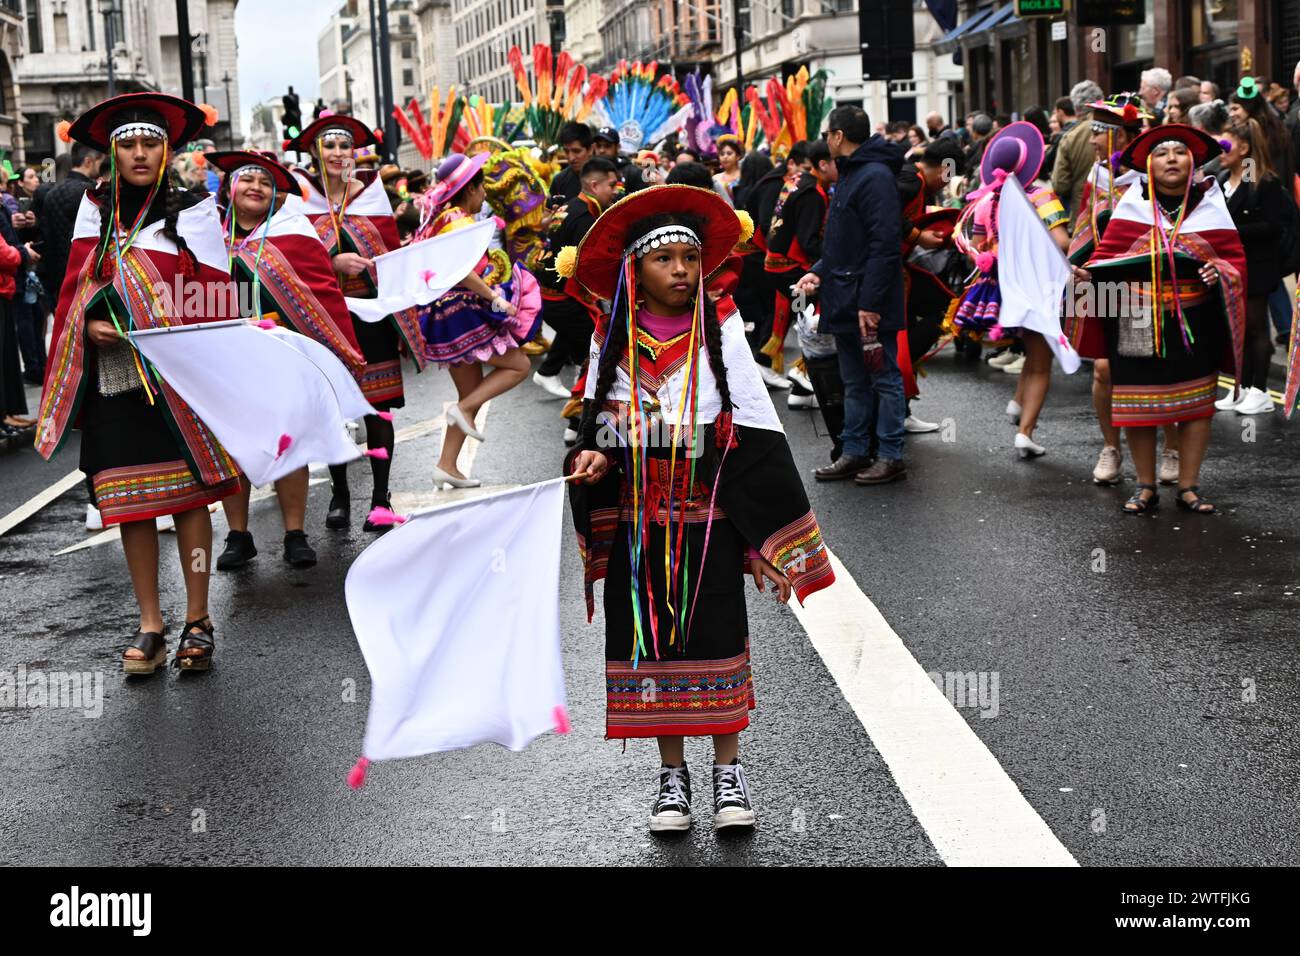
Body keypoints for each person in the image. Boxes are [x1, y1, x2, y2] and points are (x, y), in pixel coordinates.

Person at [562, 183, 835, 832]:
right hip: (638, 526)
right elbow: (603, 424)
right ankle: (671, 780)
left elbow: (754, 441)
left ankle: (729, 773)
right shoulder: (615, 337)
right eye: (665, 259)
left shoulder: (723, 332)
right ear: (635, 270)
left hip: (706, 521)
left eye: (690, 257)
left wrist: (763, 542)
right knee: (652, 649)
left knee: (714, 638)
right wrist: (600, 457)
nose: (681, 270)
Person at [35, 91, 242, 673]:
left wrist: (158, 316)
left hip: (180, 377)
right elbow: (75, 287)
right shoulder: (95, 210)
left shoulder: (194, 208)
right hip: (117, 379)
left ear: (167, 149)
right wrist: (93, 321)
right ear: (113, 154)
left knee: (191, 496)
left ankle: (198, 619)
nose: (141, 154)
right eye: (129, 145)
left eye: (152, 143)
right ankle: (152, 623)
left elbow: (218, 294)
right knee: (133, 501)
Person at [205, 150, 367, 569]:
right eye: (247, 180)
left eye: (264, 182)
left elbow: (318, 295)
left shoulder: (293, 234)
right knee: (233, 446)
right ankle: (238, 536)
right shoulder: (204, 236)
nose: (256, 187)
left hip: (282, 356)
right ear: (230, 188)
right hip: (227, 360)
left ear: (276, 195)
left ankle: (295, 532)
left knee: (288, 441)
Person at [1074, 125, 1245, 514]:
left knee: (1197, 404)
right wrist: (1087, 278)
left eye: (1180, 152)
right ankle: (1146, 486)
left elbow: (1234, 262)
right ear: (1148, 165)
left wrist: (1218, 270)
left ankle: (1188, 487)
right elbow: (1107, 264)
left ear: (1193, 162)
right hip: (1134, 314)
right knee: (1137, 403)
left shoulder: (1211, 208)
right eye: (1162, 152)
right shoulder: (1130, 207)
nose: (1171, 158)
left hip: (1195, 316)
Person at [283, 114, 428, 533]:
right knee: (332, 409)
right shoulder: (300, 199)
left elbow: (389, 255)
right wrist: (331, 262)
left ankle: (380, 497)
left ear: (354, 153)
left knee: (378, 412)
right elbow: (292, 265)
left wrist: (367, 269)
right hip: (325, 321)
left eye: (344, 146)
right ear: (314, 152)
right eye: (329, 146)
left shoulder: (371, 197)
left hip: (372, 320)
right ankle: (340, 493)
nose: (337, 154)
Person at [1064, 93, 1180, 486]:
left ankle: (1172, 449)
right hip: (1103, 281)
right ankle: (1111, 447)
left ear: (1125, 136)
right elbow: (1085, 224)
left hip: (1142, 285)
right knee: (1102, 370)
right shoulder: (1097, 175)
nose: (1093, 139)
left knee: (1156, 369)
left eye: (1100, 130)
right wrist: (1076, 264)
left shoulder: (1153, 176)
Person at [795, 105, 908, 486]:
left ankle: (890, 455)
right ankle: (855, 450)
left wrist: (870, 304)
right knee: (854, 380)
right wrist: (817, 272)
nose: (826, 139)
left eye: (829, 132)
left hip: (866, 301)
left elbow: (885, 245)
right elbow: (844, 245)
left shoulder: (873, 176)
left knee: (884, 378)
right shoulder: (851, 174)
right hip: (845, 297)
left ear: (839, 136)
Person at [413, 152, 540, 486]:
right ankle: (459, 420)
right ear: (471, 189)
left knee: (470, 395)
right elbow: (461, 270)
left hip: (446, 312)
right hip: (461, 311)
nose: (485, 195)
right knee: (519, 366)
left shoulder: (443, 216)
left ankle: (446, 465)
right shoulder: (458, 221)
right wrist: (495, 297)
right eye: (483, 188)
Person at [951, 122, 1071, 459]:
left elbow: (975, 246)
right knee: (1041, 360)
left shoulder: (987, 199)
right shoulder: (1040, 196)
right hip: (1034, 288)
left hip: (998, 291)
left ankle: (1018, 403)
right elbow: (1061, 242)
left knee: (1031, 353)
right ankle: (1025, 431)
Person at [531, 156, 620, 438]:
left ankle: (572, 417)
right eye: (611, 185)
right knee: (595, 357)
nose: (615, 191)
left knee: (585, 346)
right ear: (594, 184)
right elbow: (587, 264)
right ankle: (580, 425)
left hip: (554, 295)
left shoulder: (571, 206)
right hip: (564, 297)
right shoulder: (584, 217)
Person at [1213, 119, 1286, 415]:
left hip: (1257, 266)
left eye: (1226, 145)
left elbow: (1273, 226)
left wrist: (1231, 231)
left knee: (1256, 328)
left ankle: (1260, 390)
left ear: (1244, 148)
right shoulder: (1219, 179)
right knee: (1237, 329)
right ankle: (1240, 387)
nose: (1220, 151)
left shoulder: (1262, 181)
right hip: (1231, 267)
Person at [761, 140, 829, 382]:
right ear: (823, 164)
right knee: (822, 305)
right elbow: (808, 240)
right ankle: (803, 371)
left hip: (776, 263)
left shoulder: (794, 181)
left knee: (801, 313)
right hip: (791, 267)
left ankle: (799, 384)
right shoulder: (813, 193)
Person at [1052, 80, 1105, 222]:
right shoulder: (1116, 128)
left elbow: (1060, 185)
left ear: (1076, 108)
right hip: (1114, 209)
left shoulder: (1070, 137)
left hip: (1083, 213)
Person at [549, 122, 594, 202]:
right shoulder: (559, 181)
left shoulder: (606, 176)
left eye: (576, 151)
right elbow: (548, 211)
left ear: (590, 149)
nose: (571, 158)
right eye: (566, 151)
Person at [712, 133, 744, 205]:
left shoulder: (745, 176)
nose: (725, 157)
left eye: (729, 153)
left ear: (738, 156)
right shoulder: (715, 178)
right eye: (722, 154)